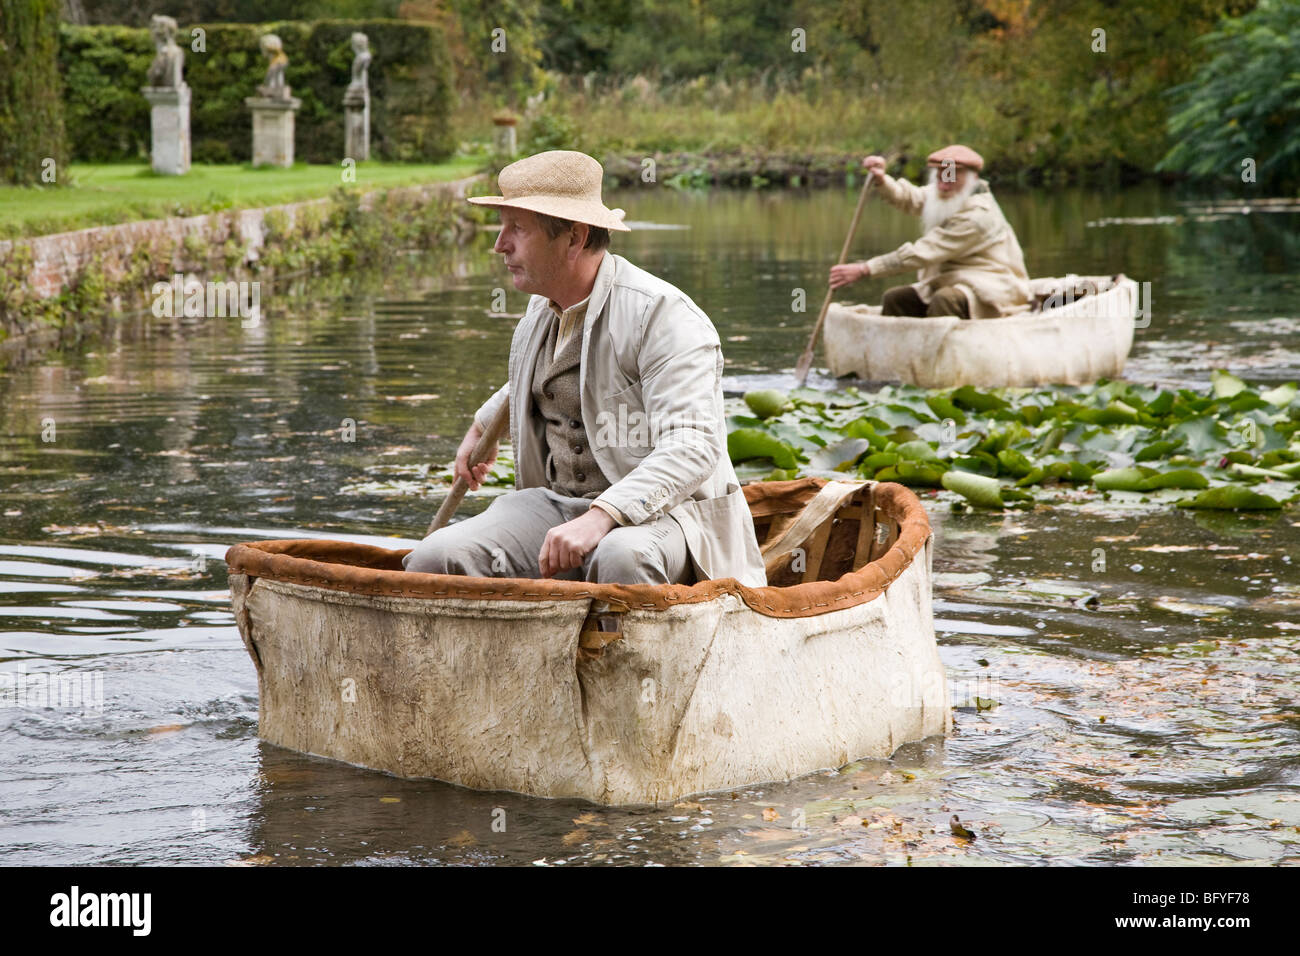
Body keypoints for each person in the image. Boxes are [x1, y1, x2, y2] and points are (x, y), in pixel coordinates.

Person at [403, 150, 766, 588]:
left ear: (574, 238)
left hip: (671, 516)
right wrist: (485, 424)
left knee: (620, 557)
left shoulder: (664, 317)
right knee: (435, 557)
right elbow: (556, 373)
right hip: (559, 506)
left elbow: (693, 445)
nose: (500, 244)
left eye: (517, 228)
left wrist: (602, 516)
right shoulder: (540, 313)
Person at [829, 145, 1030, 319]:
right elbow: (910, 197)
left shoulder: (978, 217)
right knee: (895, 299)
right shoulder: (947, 194)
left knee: (945, 300)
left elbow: (923, 252)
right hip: (948, 281)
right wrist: (882, 180)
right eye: (941, 174)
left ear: (973, 177)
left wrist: (865, 269)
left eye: (952, 175)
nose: (944, 182)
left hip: (989, 286)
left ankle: (941, 358)